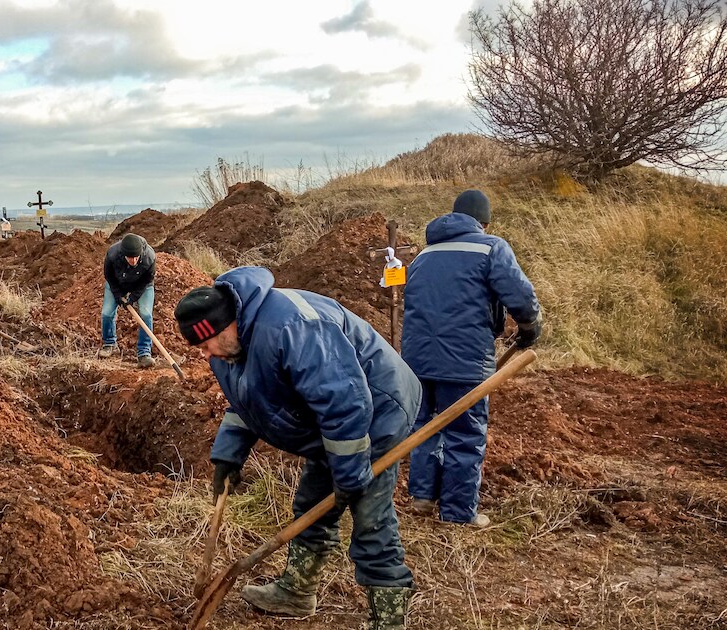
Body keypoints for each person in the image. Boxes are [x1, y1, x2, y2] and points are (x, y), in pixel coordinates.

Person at [175, 266, 419, 629]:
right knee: (311, 504)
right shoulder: (228, 350)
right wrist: (228, 455)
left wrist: (350, 475)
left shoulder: (291, 327)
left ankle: (389, 620)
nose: (204, 354)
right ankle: (297, 592)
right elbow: (246, 401)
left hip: (376, 415)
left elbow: (344, 403)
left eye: (205, 343)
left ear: (226, 326)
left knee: (370, 518)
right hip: (329, 422)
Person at [401, 189, 541, 527]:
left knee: (424, 426)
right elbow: (519, 295)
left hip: (416, 359)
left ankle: (421, 497)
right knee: (465, 432)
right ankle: (459, 512)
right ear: (484, 222)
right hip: (463, 360)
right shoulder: (491, 247)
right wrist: (529, 326)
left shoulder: (424, 254)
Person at [97, 233, 157, 368]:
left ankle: (144, 353)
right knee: (106, 313)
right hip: (117, 283)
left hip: (142, 286)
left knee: (146, 314)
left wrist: (133, 298)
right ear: (123, 255)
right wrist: (118, 295)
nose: (134, 261)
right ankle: (109, 344)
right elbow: (109, 276)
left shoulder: (149, 257)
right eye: (130, 258)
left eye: (136, 258)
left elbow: (147, 280)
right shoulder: (112, 254)